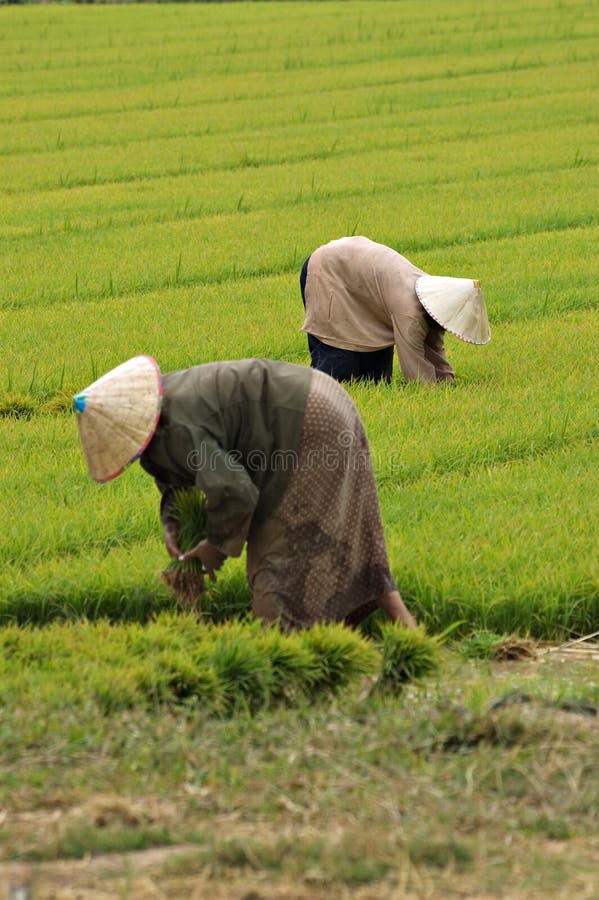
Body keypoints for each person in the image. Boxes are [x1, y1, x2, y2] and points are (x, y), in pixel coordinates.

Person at [73, 355, 416, 631]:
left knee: (280, 566)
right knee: (359, 547)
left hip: (306, 425)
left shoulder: (177, 429)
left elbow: (236, 492)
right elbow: (180, 484)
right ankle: (411, 641)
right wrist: (173, 526)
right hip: (321, 396)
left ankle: (288, 662)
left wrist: (214, 549)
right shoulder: (164, 407)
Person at [300, 235, 491, 384]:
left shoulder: (433, 296)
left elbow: (433, 346)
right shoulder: (410, 311)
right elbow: (414, 367)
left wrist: (446, 381)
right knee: (339, 372)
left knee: (375, 380)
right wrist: (432, 394)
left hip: (359, 279)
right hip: (329, 270)